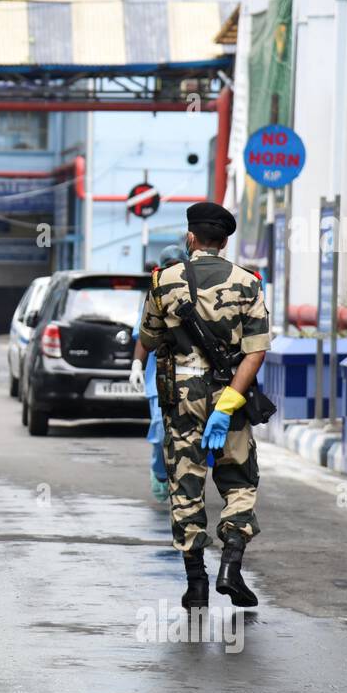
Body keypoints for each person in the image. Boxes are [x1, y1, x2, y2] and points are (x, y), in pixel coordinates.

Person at [137, 204, 269, 611]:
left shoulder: (164, 281)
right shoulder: (247, 283)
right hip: (230, 399)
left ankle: (196, 584)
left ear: (190, 238)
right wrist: (228, 404)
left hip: (181, 400)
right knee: (239, 481)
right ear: (225, 241)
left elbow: (149, 338)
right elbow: (256, 351)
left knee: (186, 485)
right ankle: (231, 565)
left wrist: (139, 365)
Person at [132, 247, 187, 504]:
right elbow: (144, 336)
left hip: (191, 377)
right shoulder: (155, 295)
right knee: (160, 432)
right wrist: (136, 365)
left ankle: (186, 485)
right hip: (160, 378)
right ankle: (159, 472)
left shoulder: (197, 294)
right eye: (170, 265)